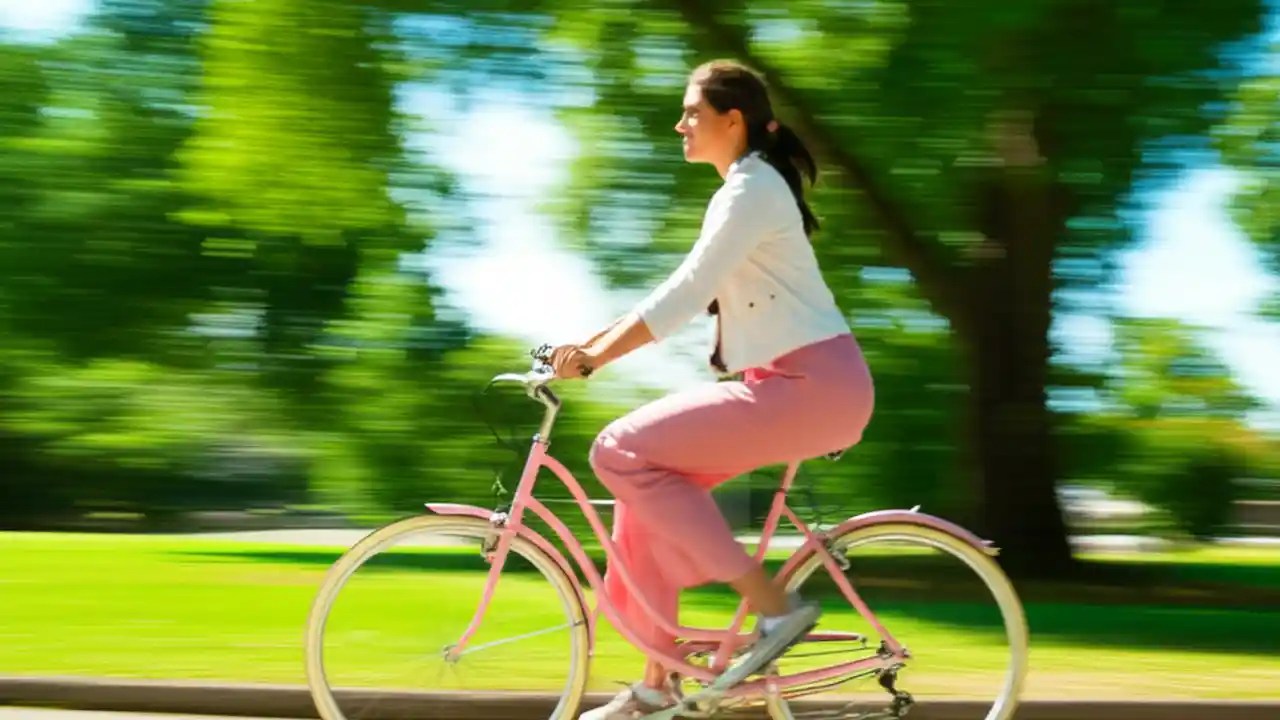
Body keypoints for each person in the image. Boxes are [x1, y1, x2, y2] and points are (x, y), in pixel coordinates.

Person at [547, 59, 876, 720]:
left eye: (692, 112)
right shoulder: (743, 190)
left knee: (619, 449)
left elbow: (685, 294)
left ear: (734, 120)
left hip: (812, 387)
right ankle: (656, 686)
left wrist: (597, 359)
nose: (680, 124)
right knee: (642, 498)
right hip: (794, 387)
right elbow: (680, 288)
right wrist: (583, 347)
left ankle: (774, 608)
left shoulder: (753, 189)